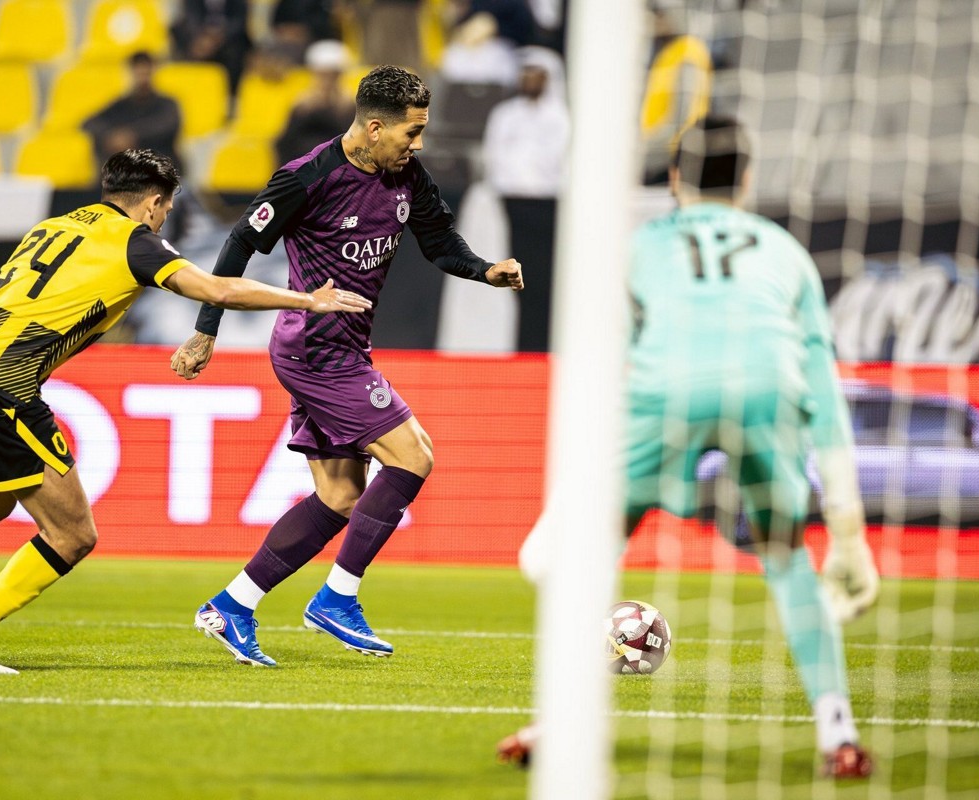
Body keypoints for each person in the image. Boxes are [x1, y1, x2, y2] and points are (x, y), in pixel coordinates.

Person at [0, 149, 372, 675]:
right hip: (3, 386)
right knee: (72, 534)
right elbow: (216, 289)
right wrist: (306, 299)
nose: (165, 220)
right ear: (153, 203)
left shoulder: (51, 230)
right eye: (167, 209)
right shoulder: (137, 243)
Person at [496, 117, 879, 779]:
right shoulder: (785, 250)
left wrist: (566, 504)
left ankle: (562, 722)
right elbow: (821, 381)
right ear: (748, 179)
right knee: (787, 557)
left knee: (595, 548)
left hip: (664, 389)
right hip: (768, 386)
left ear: (674, 179)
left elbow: (603, 362)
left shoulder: (641, 245)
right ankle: (837, 731)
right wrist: (849, 530)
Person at [171, 65, 524, 667]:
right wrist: (205, 333)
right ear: (375, 126)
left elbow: (440, 242)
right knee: (414, 455)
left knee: (338, 496)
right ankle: (337, 598)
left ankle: (234, 603)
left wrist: (485, 270)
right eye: (411, 134)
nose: (418, 146)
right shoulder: (308, 177)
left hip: (344, 348)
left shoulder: (407, 174)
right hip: (314, 347)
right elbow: (236, 247)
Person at [480, 46, 568, 352]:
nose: (529, 78)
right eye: (525, 72)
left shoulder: (562, 117)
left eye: (536, 72)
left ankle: (544, 347)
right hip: (512, 205)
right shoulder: (505, 115)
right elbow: (493, 158)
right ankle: (522, 349)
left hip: (549, 206)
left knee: (545, 282)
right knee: (515, 279)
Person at [83, 51, 182, 174]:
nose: (142, 78)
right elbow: (89, 123)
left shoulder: (167, 104)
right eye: (139, 73)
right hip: (128, 172)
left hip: (159, 171)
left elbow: (167, 125)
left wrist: (133, 135)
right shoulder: (120, 105)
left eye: (146, 73)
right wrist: (111, 136)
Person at [275, 39, 356, 166]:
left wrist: (341, 112)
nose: (327, 82)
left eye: (333, 76)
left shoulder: (351, 107)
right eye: (323, 76)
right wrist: (304, 112)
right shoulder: (301, 105)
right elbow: (285, 145)